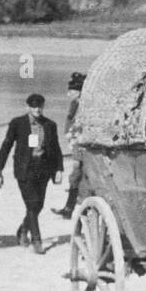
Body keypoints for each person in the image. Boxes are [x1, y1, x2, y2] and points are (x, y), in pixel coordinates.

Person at [0, 92, 63, 254]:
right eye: (33, 107)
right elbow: (7, 145)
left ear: (43, 107)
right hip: (24, 169)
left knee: (39, 205)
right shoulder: (18, 123)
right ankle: (37, 240)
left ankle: (22, 229)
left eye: (39, 107)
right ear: (28, 107)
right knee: (32, 204)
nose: (37, 110)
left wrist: (59, 169)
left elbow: (57, 148)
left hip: (44, 170)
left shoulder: (50, 125)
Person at [53, 72, 86, 219]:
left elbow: (79, 130)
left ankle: (70, 209)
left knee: (76, 175)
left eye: (71, 91)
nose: (68, 94)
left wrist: (77, 154)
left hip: (79, 146)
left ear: (78, 92)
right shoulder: (75, 104)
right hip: (75, 145)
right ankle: (70, 207)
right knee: (76, 177)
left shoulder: (81, 107)